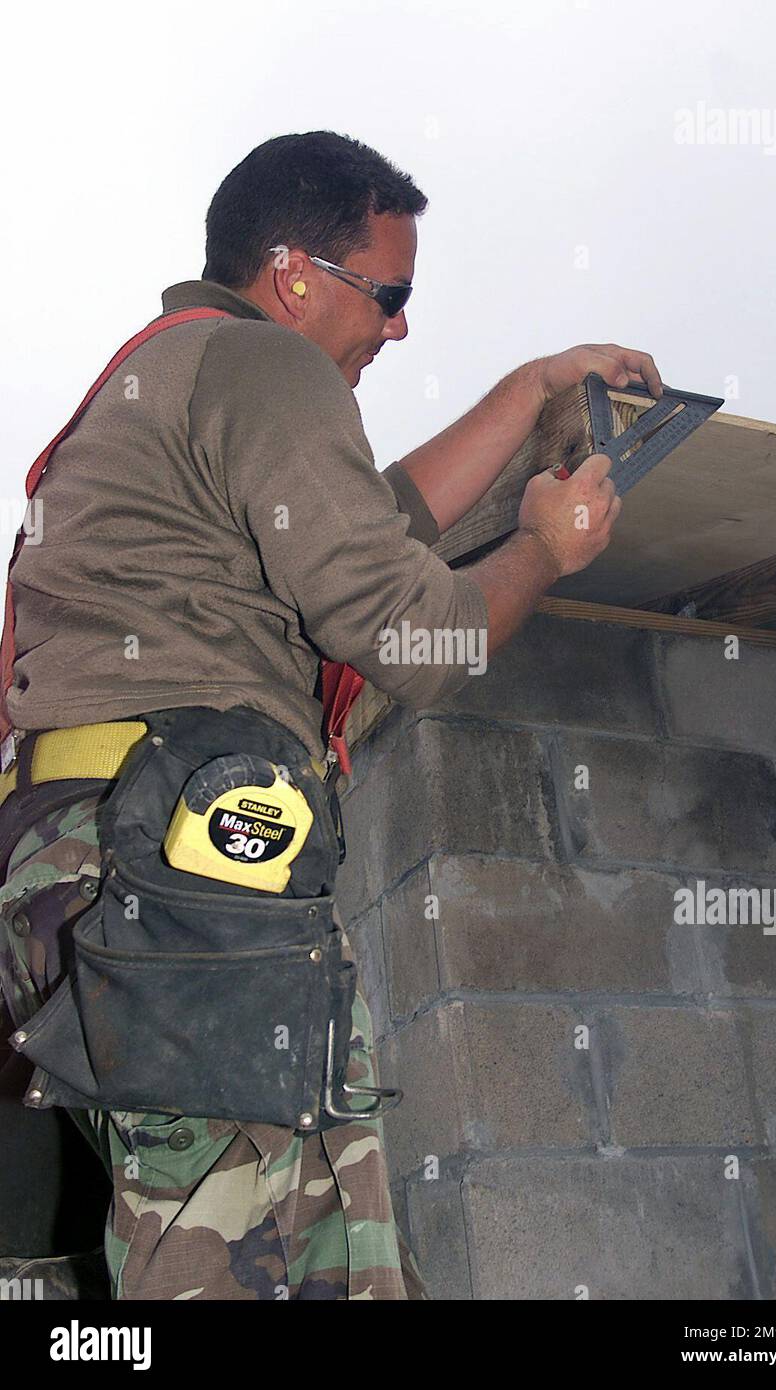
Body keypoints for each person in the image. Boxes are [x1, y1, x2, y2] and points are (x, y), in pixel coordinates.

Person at [0, 130, 660, 1300]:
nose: (399, 326)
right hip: (184, 872)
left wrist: (529, 389)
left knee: (307, 1259)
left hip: (95, 855)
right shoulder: (266, 368)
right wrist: (540, 552)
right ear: (296, 275)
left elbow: (371, 520)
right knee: (244, 1273)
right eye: (388, 293)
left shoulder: (176, 377)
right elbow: (409, 632)